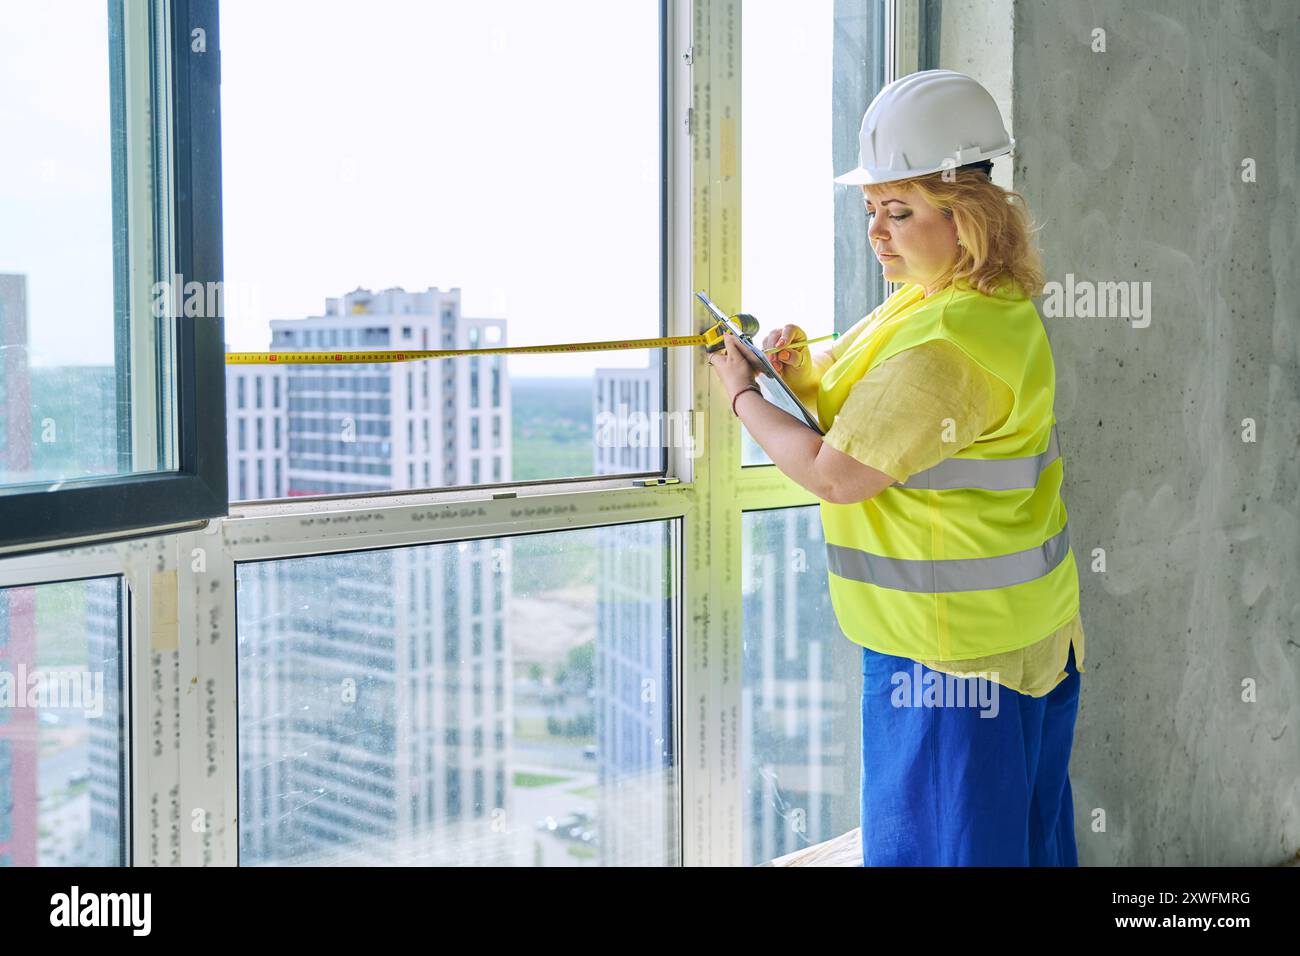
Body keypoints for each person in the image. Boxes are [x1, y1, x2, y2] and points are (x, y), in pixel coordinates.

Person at [707, 69, 1085, 866]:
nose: (877, 233)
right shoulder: (957, 300)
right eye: (872, 210)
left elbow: (837, 473)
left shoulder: (943, 342)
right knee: (1025, 845)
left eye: (900, 211)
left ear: (969, 217)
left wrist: (743, 396)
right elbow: (881, 411)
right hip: (1020, 640)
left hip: (949, 664)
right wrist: (800, 376)